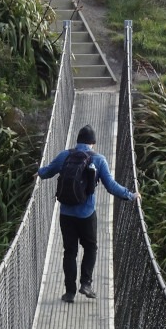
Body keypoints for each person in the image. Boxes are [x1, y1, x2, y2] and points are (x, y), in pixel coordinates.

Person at [37, 124, 140, 303]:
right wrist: (130, 195)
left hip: (66, 213)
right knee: (90, 248)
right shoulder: (98, 160)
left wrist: (38, 172)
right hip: (86, 214)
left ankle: (69, 293)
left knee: (70, 252)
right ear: (93, 143)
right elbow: (111, 186)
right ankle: (86, 283)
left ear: (77, 141)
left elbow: (46, 172)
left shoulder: (64, 155)